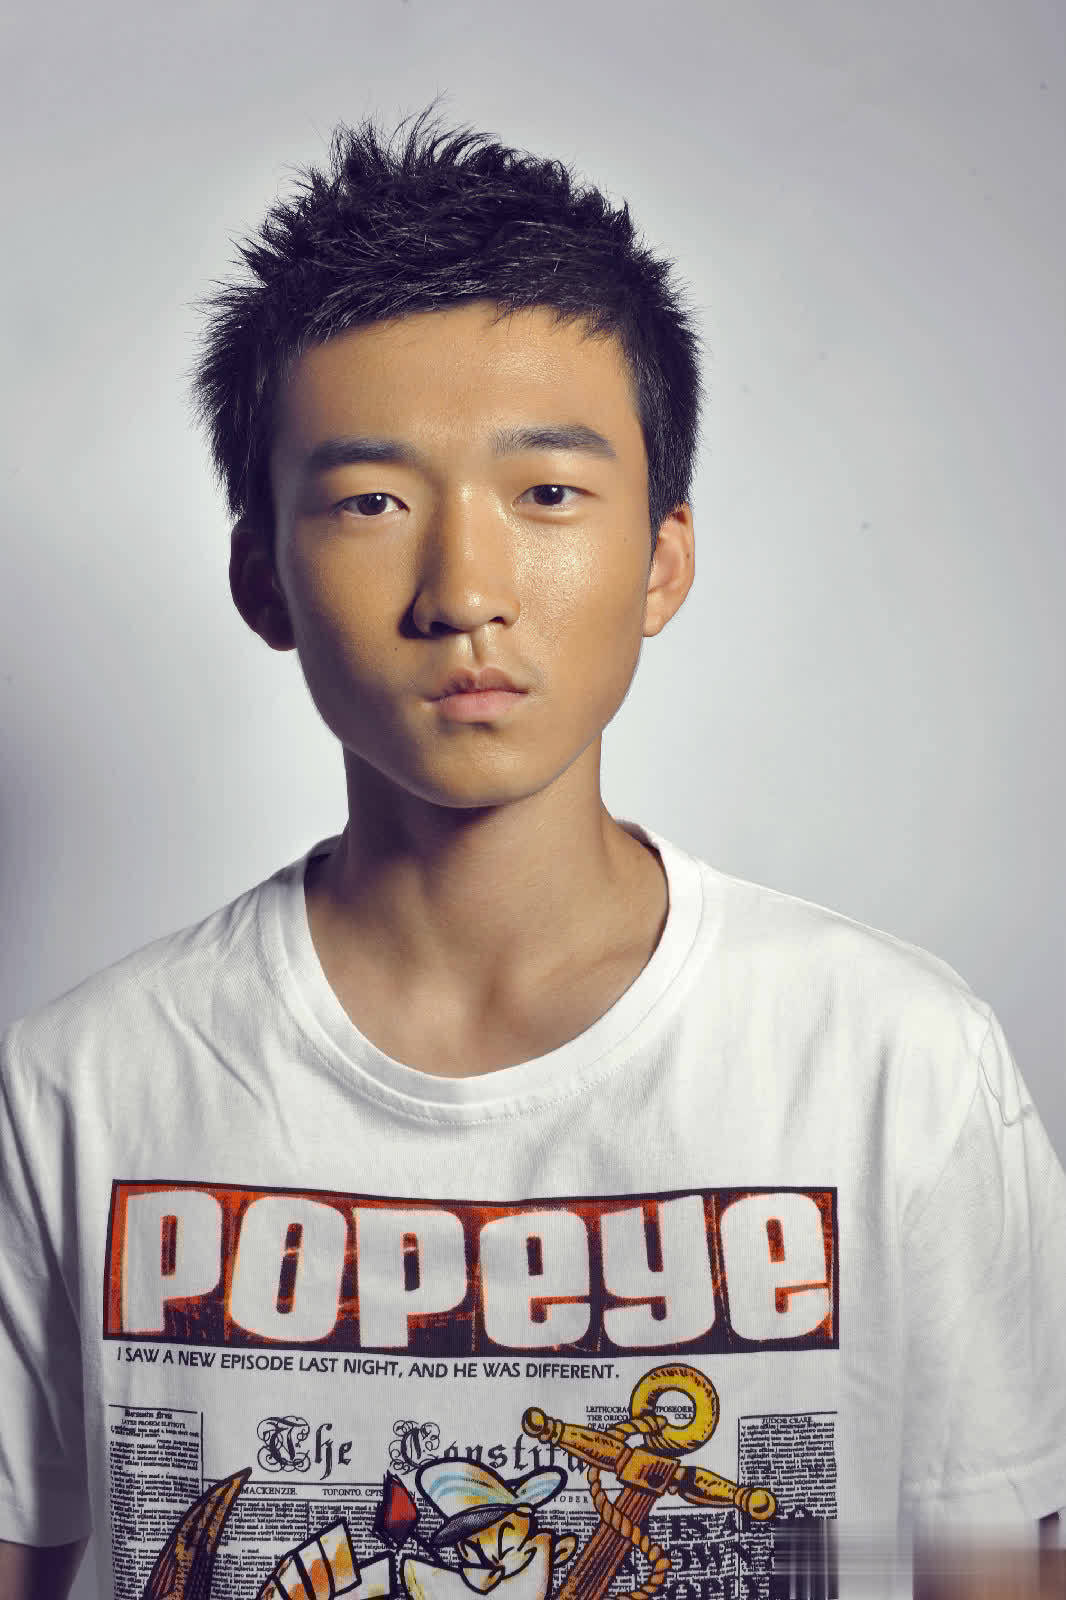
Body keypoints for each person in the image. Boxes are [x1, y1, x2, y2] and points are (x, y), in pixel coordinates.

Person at [0, 98, 1063, 1600]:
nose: (463, 589)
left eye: (548, 493)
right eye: (371, 501)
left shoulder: (893, 1066)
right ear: (263, 577)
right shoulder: (81, 1093)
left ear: (662, 560)